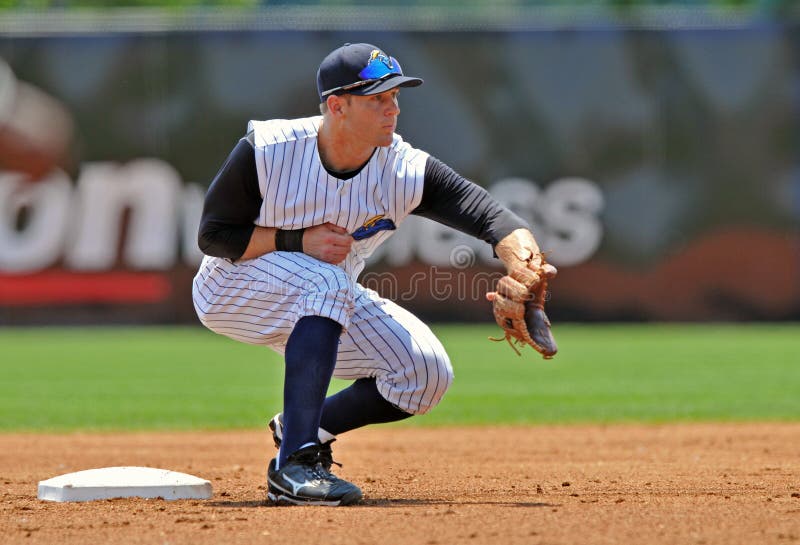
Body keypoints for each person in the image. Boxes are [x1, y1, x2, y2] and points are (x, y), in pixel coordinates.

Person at [192, 43, 546, 506]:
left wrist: (526, 262)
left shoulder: (401, 169)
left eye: (395, 96)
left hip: (319, 303)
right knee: (327, 280)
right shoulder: (269, 150)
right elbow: (213, 236)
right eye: (377, 98)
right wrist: (297, 240)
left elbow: (490, 216)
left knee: (424, 372)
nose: (392, 109)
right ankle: (294, 467)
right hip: (232, 289)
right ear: (337, 106)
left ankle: (302, 426)